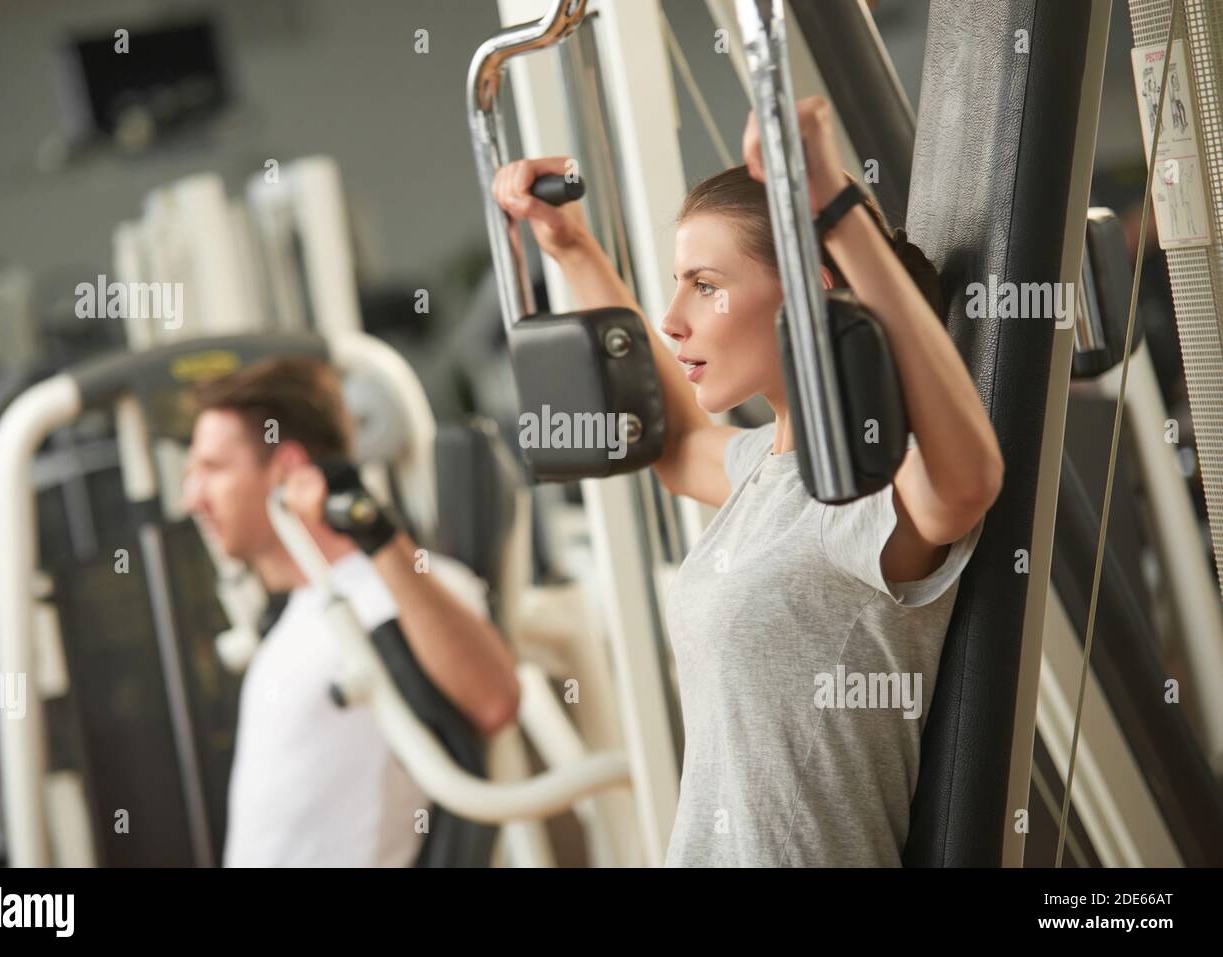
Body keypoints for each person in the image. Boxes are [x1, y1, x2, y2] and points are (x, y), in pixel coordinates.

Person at [491, 98, 1003, 866]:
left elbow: (966, 483)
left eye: (703, 284)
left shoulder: (864, 490)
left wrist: (835, 211)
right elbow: (676, 441)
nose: (670, 317)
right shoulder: (766, 468)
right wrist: (571, 250)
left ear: (811, 290)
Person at [182, 356, 520, 866]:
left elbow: (495, 700)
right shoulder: (304, 610)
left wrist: (377, 534)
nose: (193, 498)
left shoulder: (391, 589)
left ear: (287, 470)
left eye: (212, 470)